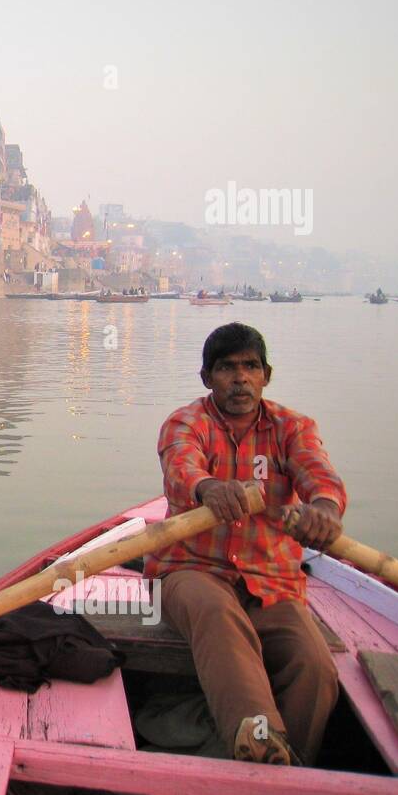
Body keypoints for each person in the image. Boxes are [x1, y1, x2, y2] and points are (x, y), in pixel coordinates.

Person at [144, 323, 344, 768]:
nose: (240, 379)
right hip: (190, 571)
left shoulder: (292, 427)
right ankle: (258, 742)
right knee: (218, 615)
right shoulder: (186, 422)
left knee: (313, 666)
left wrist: (325, 510)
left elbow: (320, 475)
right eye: (227, 369)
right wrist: (209, 488)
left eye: (250, 367)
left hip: (271, 580)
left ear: (266, 375)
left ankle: (286, 780)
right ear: (206, 378)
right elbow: (182, 466)